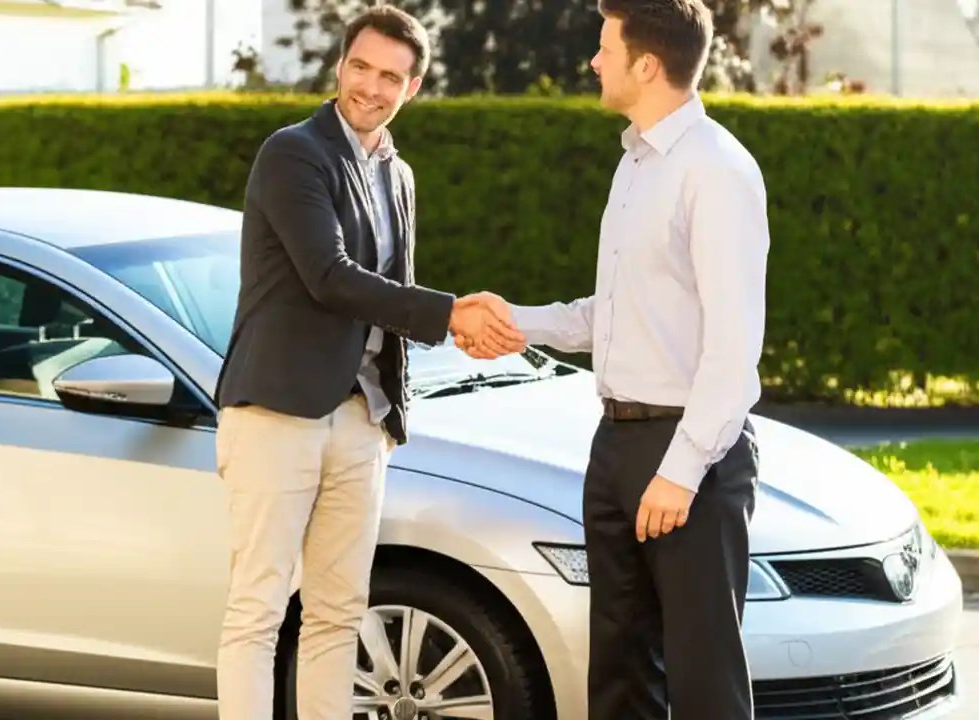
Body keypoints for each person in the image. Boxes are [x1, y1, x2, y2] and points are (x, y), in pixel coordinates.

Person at [211, 6, 525, 720]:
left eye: (391, 76)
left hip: (361, 422)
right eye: (361, 67)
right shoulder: (293, 153)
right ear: (340, 65)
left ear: (412, 88)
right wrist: (450, 314)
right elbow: (330, 276)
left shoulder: (399, 175)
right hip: (277, 413)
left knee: (339, 612)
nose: (371, 87)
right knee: (258, 610)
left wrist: (390, 415)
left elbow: (388, 295)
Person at [468, 0, 770, 717]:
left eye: (605, 47)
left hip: (685, 456)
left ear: (647, 63)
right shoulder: (635, 165)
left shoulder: (716, 170)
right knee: (621, 674)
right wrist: (519, 324)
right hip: (616, 448)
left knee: (704, 684)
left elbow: (734, 347)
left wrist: (681, 469)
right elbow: (615, 314)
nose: (594, 61)